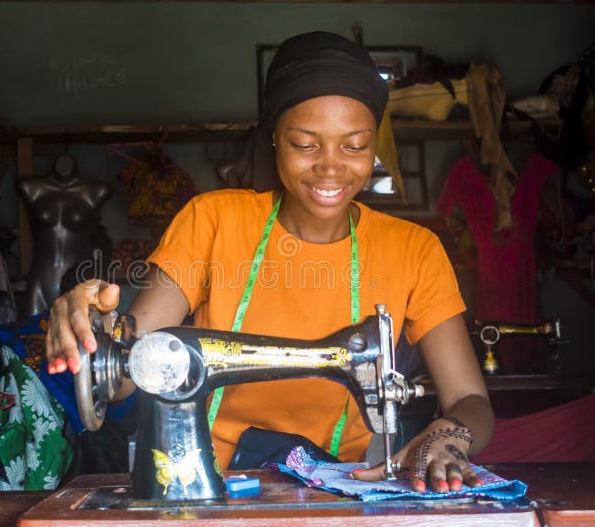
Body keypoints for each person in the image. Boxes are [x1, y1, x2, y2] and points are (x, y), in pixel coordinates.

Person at [45, 31, 494, 494]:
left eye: (355, 146)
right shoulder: (213, 220)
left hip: (346, 487)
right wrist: (91, 338)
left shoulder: (414, 249)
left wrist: (448, 434)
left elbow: (469, 399)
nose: (331, 167)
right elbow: (130, 371)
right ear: (275, 138)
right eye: (305, 144)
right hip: (210, 483)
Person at [17, 154, 113, 316]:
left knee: (77, 336)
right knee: (30, 336)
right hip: (40, 277)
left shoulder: (97, 190)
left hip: (76, 280)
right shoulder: (31, 187)